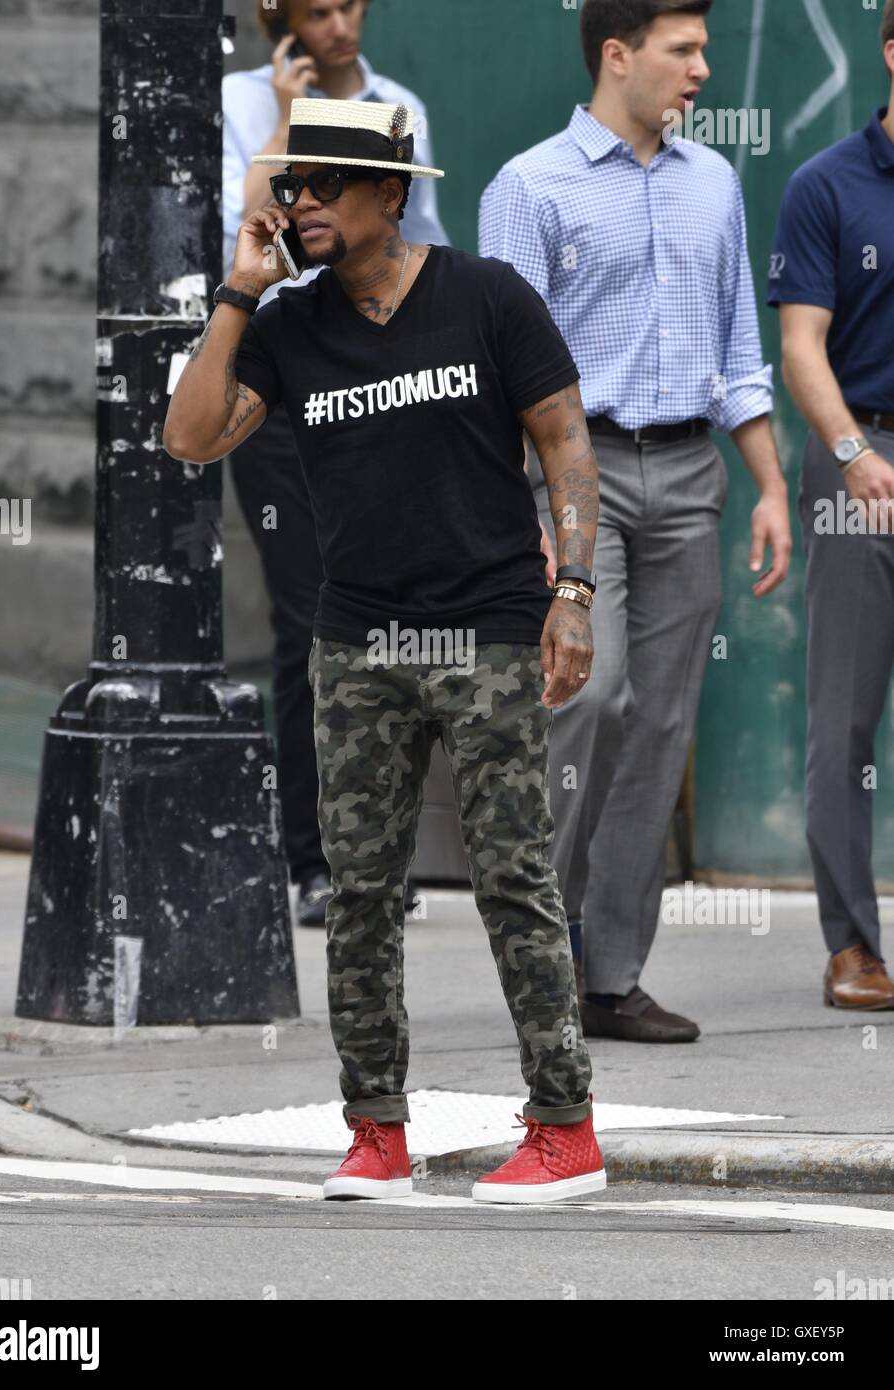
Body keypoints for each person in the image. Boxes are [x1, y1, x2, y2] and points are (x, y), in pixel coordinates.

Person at [164, 98, 606, 1204]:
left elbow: (563, 442)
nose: (300, 205)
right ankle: (376, 1131)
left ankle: (564, 1128)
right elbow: (189, 437)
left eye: (321, 187)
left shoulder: (485, 297)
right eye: (290, 189)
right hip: (355, 638)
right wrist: (239, 288)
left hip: (491, 623)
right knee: (360, 892)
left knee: (513, 875)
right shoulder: (290, 325)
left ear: (390, 195)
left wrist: (575, 593)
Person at [479, 0, 792, 1043]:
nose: (700, 68)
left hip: (690, 474)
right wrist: (528, 509)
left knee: (659, 726)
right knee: (591, 694)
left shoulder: (714, 183)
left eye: (704, 47)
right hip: (581, 479)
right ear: (618, 56)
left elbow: (738, 351)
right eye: (683, 49)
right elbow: (504, 378)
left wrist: (774, 488)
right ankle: (542, 953)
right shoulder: (529, 187)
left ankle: (610, 977)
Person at [223, 0, 447, 926]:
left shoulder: (400, 105)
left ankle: (384, 852)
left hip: (380, 376)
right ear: (282, 19)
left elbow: (422, 234)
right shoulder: (242, 97)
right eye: (318, 10)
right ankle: (312, 861)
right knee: (306, 616)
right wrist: (286, 112)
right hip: (282, 382)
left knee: (393, 602)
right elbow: (253, 218)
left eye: (351, 5)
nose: (340, 24)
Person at [769, 0, 894, 1011]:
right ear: (891, 52)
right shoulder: (825, 186)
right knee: (843, 718)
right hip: (863, 456)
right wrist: (851, 451)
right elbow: (799, 345)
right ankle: (853, 947)